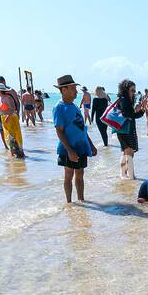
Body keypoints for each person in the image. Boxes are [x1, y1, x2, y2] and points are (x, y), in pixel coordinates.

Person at [53, 74, 91, 203]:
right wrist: (69, 150)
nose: (76, 90)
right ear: (64, 90)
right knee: (69, 175)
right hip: (68, 148)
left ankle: (81, 200)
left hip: (81, 146)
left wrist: (90, 144)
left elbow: (82, 127)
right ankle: (69, 203)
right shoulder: (59, 107)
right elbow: (59, 131)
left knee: (80, 175)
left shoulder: (74, 106)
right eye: (73, 88)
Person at [115, 78, 146, 180]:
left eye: (134, 90)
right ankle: (131, 176)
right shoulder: (124, 100)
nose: (134, 92)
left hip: (123, 129)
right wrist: (140, 110)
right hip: (125, 130)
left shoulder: (125, 99)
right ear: (126, 89)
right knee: (129, 153)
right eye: (132, 90)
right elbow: (129, 115)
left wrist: (140, 110)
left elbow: (130, 114)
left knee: (126, 153)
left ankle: (123, 174)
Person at [0, 77, 25, 159]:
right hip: (4, 118)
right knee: (8, 138)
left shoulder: (7, 97)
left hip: (11, 118)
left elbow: (13, 108)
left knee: (12, 137)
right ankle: (14, 155)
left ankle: (18, 156)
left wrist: (8, 117)